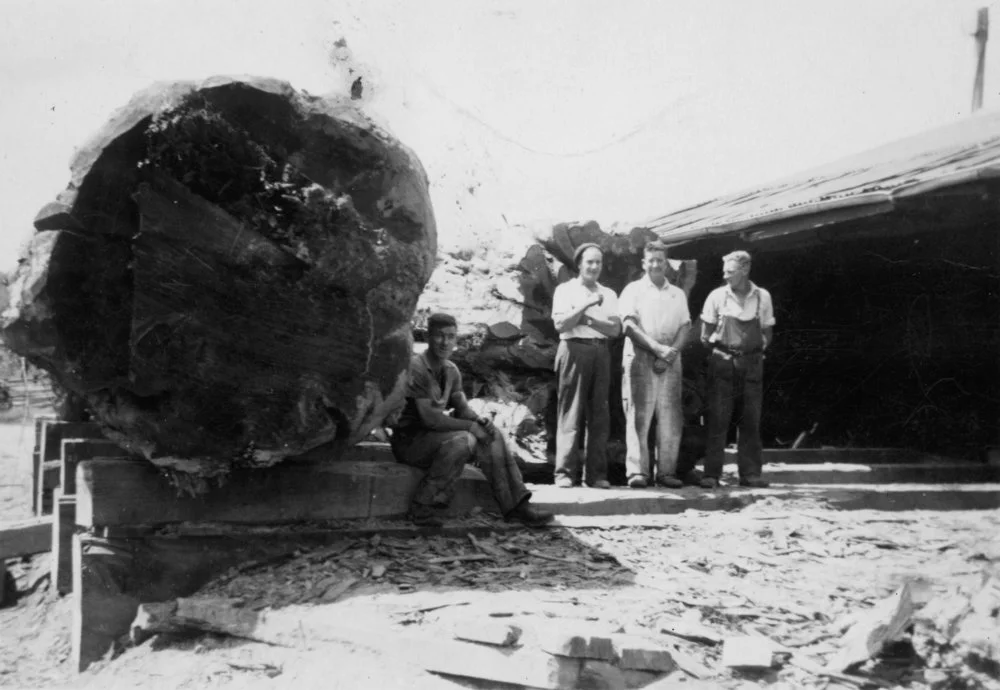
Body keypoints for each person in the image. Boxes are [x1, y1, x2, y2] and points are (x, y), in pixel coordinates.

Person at [390, 313, 554, 527]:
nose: (445, 342)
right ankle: (423, 505)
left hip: (434, 439)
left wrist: (480, 421)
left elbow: (463, 408)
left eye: (450, 336)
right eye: (439, 336)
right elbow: (431, 419)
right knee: (463, 440)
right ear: (429, 337)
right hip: (410, 443)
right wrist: (471, 427)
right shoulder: (417, 367)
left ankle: (516, 506)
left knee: (492, 435)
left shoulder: (451, 371)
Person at [618, 241, 692, 489]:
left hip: (671, 356)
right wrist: (657, 349)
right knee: (639, 416)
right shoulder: (633, 290)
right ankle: (638, 472)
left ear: (666, 262)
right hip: (641, 356)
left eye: (660, 259)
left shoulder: (677, 293)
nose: (656, 264)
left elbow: (685, 326)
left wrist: (670, 353)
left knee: (671, 416)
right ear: (644, 263)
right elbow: (628, 326)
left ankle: (667, 472)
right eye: (651, 260)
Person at [699, 250, 775, 489]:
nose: (725, 275)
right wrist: (725, 352)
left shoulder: (762, 297)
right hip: (723, 365)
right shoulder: (717, 296)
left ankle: (751, 474)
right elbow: (704, 335)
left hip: (752, 366)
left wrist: (750, 353)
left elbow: (767, 334)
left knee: (751, 421)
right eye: (724, 271)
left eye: (730, 271)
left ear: (745, 270)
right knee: (718, 420)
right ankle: (711, 474)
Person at [550, 243, 622, 489]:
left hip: (601, 352)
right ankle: (565, 474)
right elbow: (561, 325)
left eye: (598, 262)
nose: (594, 267)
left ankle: (596, 475)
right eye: (589, 262)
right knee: (571, 412)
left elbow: (614, 329)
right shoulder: (565, 290)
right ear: (579, 264)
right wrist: (587, 304)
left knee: (599, 415)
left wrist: (585, 318)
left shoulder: (609, 294)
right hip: (573, 350)